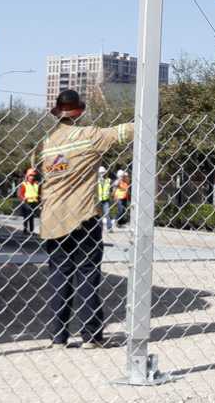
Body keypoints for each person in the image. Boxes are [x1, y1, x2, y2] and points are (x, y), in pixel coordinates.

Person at [37, 89, 134, 347]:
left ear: (58, 112)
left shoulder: (48, 142)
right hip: (82, 217)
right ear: (79, 111)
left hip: (53, 219)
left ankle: (58, 337)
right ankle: (91, 336)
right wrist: (151, 116)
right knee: (87, 274)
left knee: (59, 276)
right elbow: (123, 132)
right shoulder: (89, 135)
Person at [16, 167, 41, 235]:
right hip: (26, 202)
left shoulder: (36, 184)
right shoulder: (24, 184)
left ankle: (31, 231)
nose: (32, 177)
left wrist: (39, 201)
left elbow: (39, 193)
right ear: (27, 176)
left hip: (34, 202)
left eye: (33, 175)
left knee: (31, 217)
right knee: (26, 216)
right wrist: (23, 198)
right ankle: (25, 230)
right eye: (30, 175)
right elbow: (20, 193)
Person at [97, 167, 115, 231]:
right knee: (98, 215)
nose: (102, 174)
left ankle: (109, 227)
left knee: (107, 213)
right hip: (98, 200)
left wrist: (112, 194)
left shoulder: (108, 180)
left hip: (106, 200)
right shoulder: (96, 181)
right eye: (100, 173)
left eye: (103, 172)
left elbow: (112, 188)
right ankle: (99, 228)